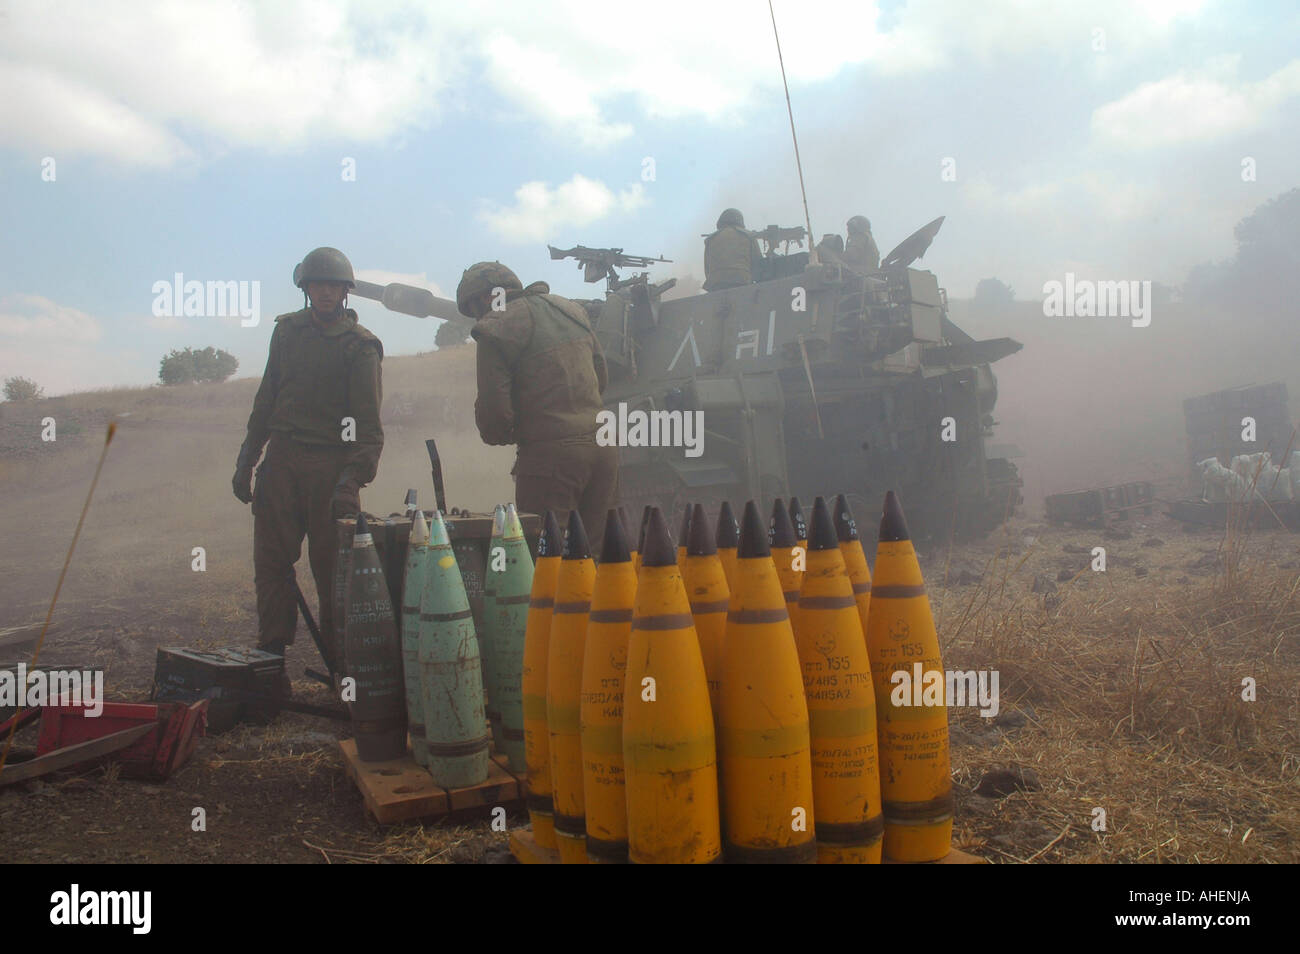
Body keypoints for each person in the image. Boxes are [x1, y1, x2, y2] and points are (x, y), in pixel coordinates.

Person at [232, 247, 384, 680]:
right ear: (306, 289)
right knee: (271, 566)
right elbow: (266, 400)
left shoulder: (361, 347)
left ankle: (345, 675)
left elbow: (369, 429)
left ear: (345, 292)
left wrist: (351, 482)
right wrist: (247, 460)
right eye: (317, 285)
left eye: (333, 285)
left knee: (334, 577)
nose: (325, 293)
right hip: (280, 463)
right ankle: (269, 665)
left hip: (330, 468)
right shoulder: (286, 334)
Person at [458, 261, 618, 540]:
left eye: (473, 307)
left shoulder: (493, 328)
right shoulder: (570, 310)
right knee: (600, 557)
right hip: (603, 449)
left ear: (485, 298)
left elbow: (494, 411)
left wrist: (505, 435)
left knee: (547, 557)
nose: (476, 315)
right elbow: (601, 376)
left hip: (551, 459)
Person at [703, 208, 764, 291]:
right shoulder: (749, 236)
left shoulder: (711, 239)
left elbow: (707, 268)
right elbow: (758, 263)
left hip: (715, 283)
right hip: (742, 281)